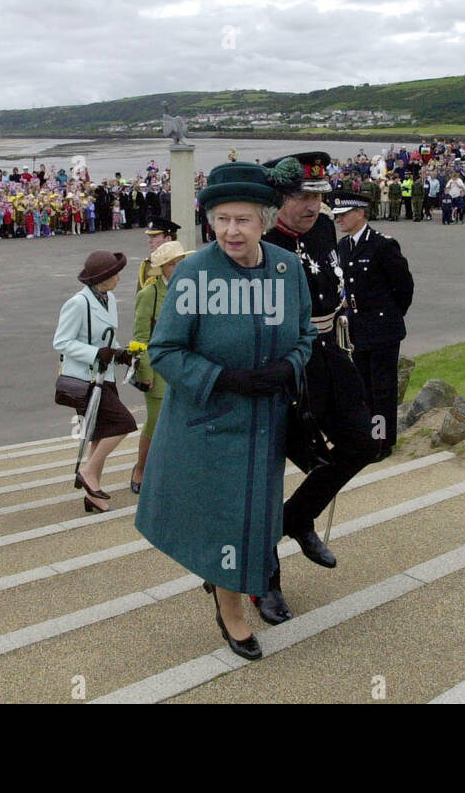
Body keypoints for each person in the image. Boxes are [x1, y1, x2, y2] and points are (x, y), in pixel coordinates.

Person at [135, 161, 314, 661]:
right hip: (208, 426)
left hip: (265, 426)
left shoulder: (287, 267)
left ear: (264, 219)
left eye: (242, 220)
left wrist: (288, 367)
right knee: (223, 521)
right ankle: (231, 612)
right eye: (221, 219)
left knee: (256, 518)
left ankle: (243, 583)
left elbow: (305, 334)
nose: (231, 230)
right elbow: (164, 349)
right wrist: (225, 379)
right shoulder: (193, 271)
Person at [256, 152, 379, 624]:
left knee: (363, 443)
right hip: (282, 365)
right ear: (278, 198)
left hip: (328, 353)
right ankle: (264, 575)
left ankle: (297, 517)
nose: (314, 205)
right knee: (264, 473)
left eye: (318, 195)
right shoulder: (261, 241)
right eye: (303, 196)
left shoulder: (325, 227)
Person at [52, 250, 138, 513]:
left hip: (105, 376)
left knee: (98, 434)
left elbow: (108, 338)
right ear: (103, 278)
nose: (119, 278)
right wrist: (95, 353)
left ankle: (93, 495)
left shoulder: (109, 299)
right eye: (115, 274)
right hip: (85, 379)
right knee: (124, 423)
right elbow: (61, 342)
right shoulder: (78, 303)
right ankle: (88, 472)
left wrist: (120, 353)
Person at [336, 189, 413, 462]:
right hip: (358, 328)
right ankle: (369, 436)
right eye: (337, 215)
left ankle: (383, 441)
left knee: (382, 389)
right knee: (363, 388)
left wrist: (389, 314)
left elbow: (404, 287)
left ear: (360, 214)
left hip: (383, 329)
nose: (339, 220)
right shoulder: (344, 247)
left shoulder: (382, 245)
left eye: (344, 215)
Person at [128, 239, 189, 495]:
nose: (178, 267)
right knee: (155, 422)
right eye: (173, 264)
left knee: (180, 422)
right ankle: (141, 468)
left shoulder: (190, 291)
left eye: (181, 262)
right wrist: (145, 372)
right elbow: (139, 338)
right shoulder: (149, 295)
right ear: (162, 268)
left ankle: (170, 471)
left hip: (185, 366)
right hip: (158, 368)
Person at [135, 218, 179, 291]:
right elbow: (140, 297)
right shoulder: (148, 264)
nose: (150, 241)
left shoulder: (180, 263)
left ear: (168, 239)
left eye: (154, 237)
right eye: (149, 237)